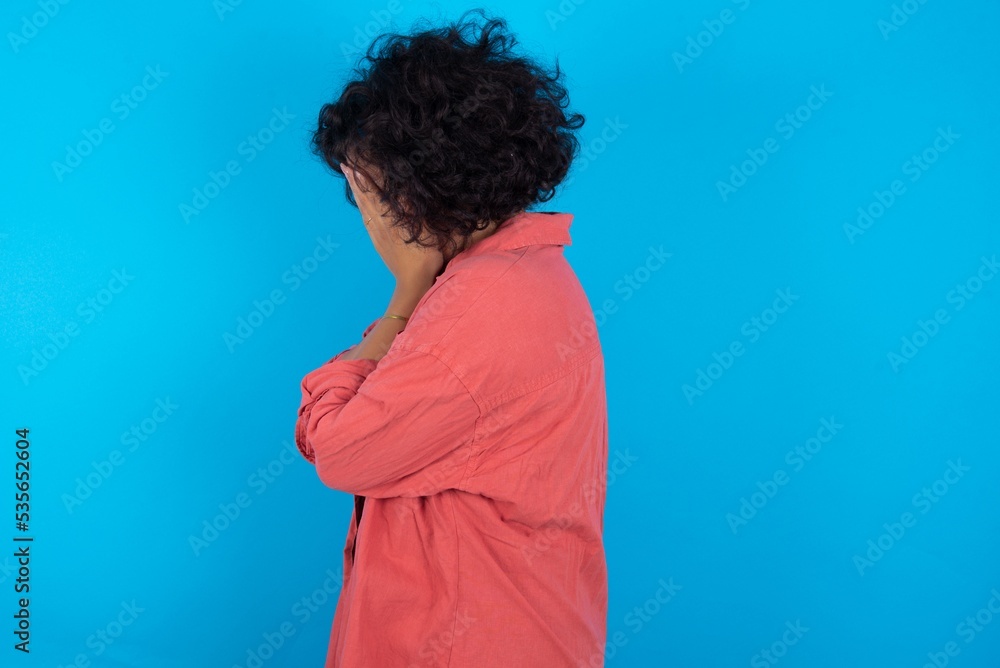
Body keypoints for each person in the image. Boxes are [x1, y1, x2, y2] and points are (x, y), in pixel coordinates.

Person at [294, 8, 608, 667]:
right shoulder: (526, 270)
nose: (364, 214)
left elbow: (343, 453)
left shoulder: (481, 303)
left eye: (368, 188)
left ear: (417, 183)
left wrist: (406, 287)